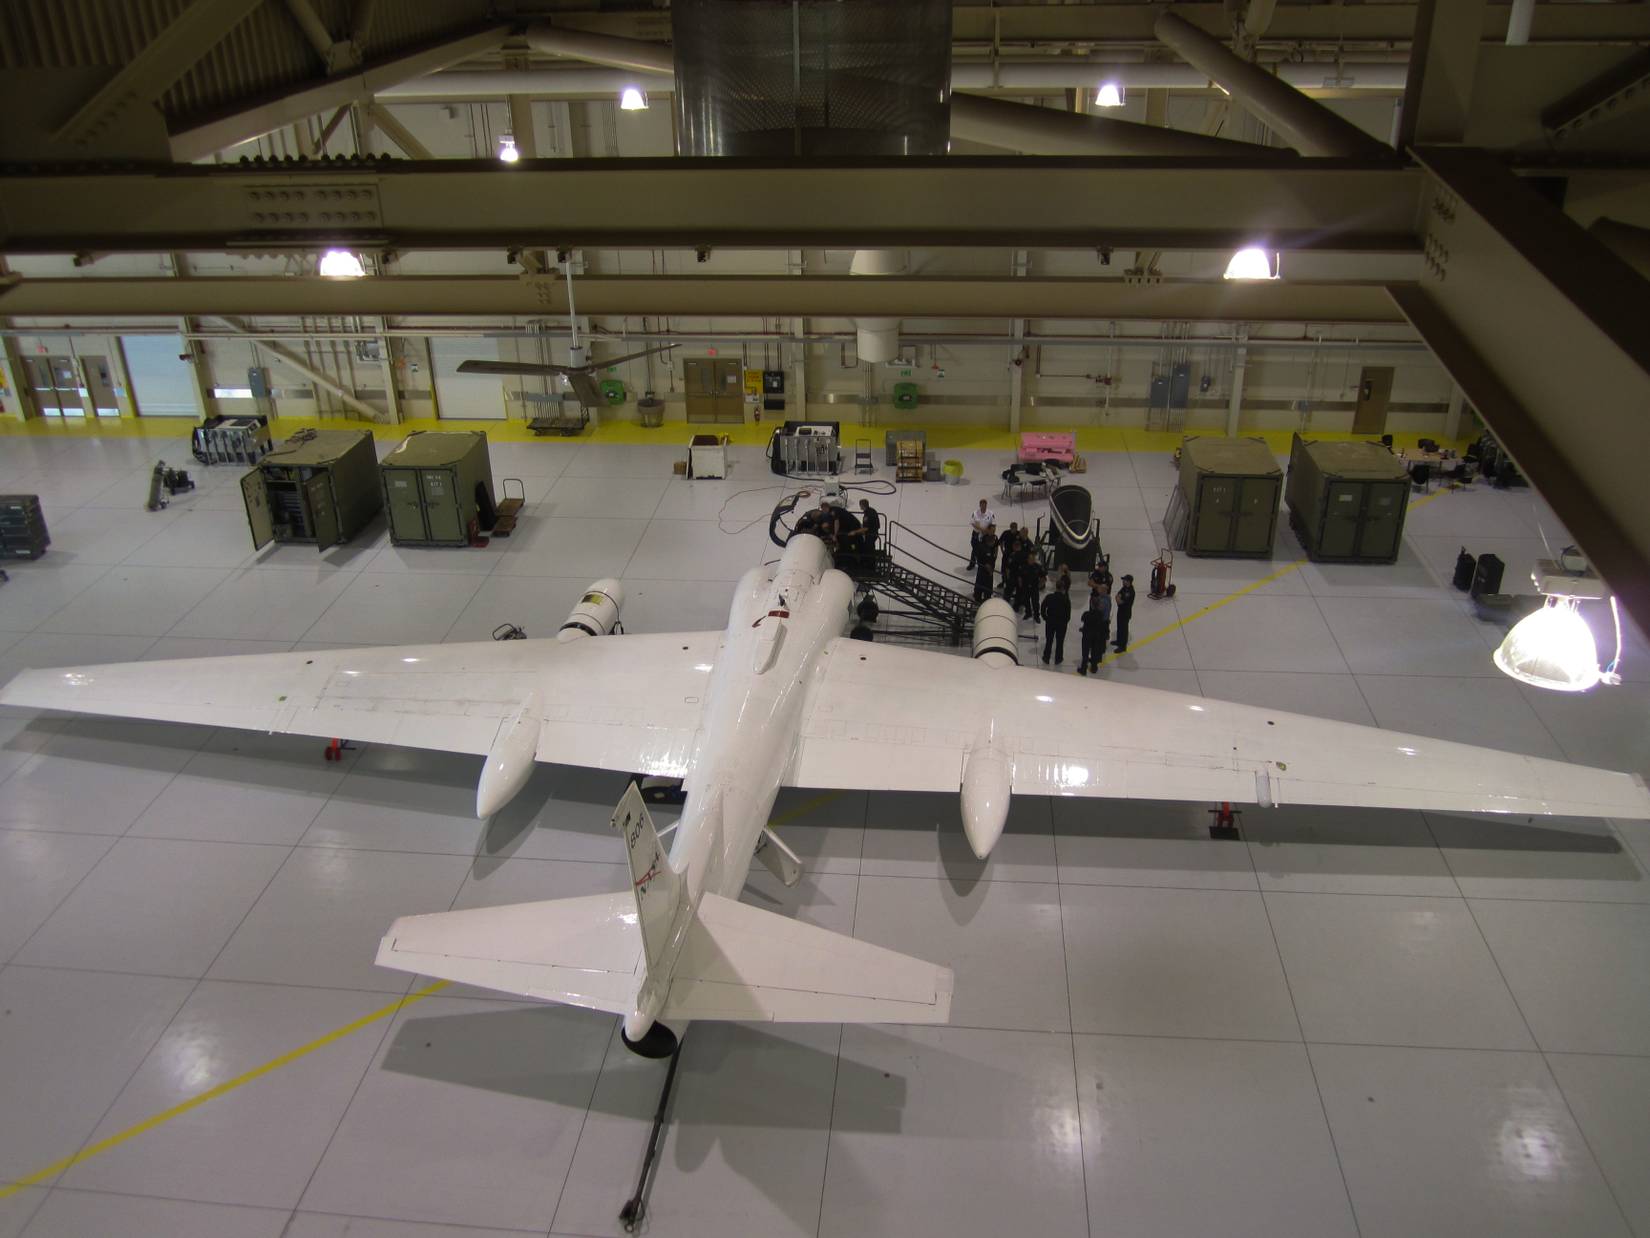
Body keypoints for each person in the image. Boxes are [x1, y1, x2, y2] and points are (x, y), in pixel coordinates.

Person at [1078, 585, 1111, 675]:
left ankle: (1083, 669)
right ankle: (1094, 667)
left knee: (1085, 652)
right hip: (1096, 634)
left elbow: (1084, 621)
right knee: (1095, 650)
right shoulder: (1100, 614)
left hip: (1087, 635)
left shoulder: (1086, 614)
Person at [1040, 578, 1071, 666]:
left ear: (1056, 587)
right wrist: (1065, 621)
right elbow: (1068, 614)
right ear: (1063, 588)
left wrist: (1045, 617)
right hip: (1061, 623)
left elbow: (1043, 607)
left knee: (1049, 640)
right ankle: (1058, 658)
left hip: (1050, 621)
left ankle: (1046, 657)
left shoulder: (1049, 597)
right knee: (1060, 641)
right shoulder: (1066, 599)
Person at [967, 498, 996, 568]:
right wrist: (982, 529)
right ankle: (972, 564)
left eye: (985, 505)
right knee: (974, 549)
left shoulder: (990, 513)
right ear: (980, 505)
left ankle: (983, 564)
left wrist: (988, 532)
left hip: (986, 535)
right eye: (982, 505)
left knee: (985, 551)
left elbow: (994, 524)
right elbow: (973, 523)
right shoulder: (975, 513)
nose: (983, 507)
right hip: (976, 534)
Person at [1113, 573, 1136, 652]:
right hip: (1121, 611)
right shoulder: (1124, 588)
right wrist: (1118, 598)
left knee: (1123, 629)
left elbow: (1120, 601)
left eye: (1125, 580)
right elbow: (1117, 596)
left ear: (1129, 582)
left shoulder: (1130, 592)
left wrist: (1118, 599)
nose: (1123, 581)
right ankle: (1119, 641)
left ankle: (1122, 646)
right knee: (1119, 627)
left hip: (1125, 613)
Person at [973, 532, 997, 603]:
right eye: (993, 542)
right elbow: (983, 560)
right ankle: (980, 598)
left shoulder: (988, 548)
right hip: (984, 571)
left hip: (985, 570)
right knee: (984, 585)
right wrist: (988, 567)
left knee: (982, 585)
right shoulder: (984, 549)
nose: (994, 543)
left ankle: (981, 597)